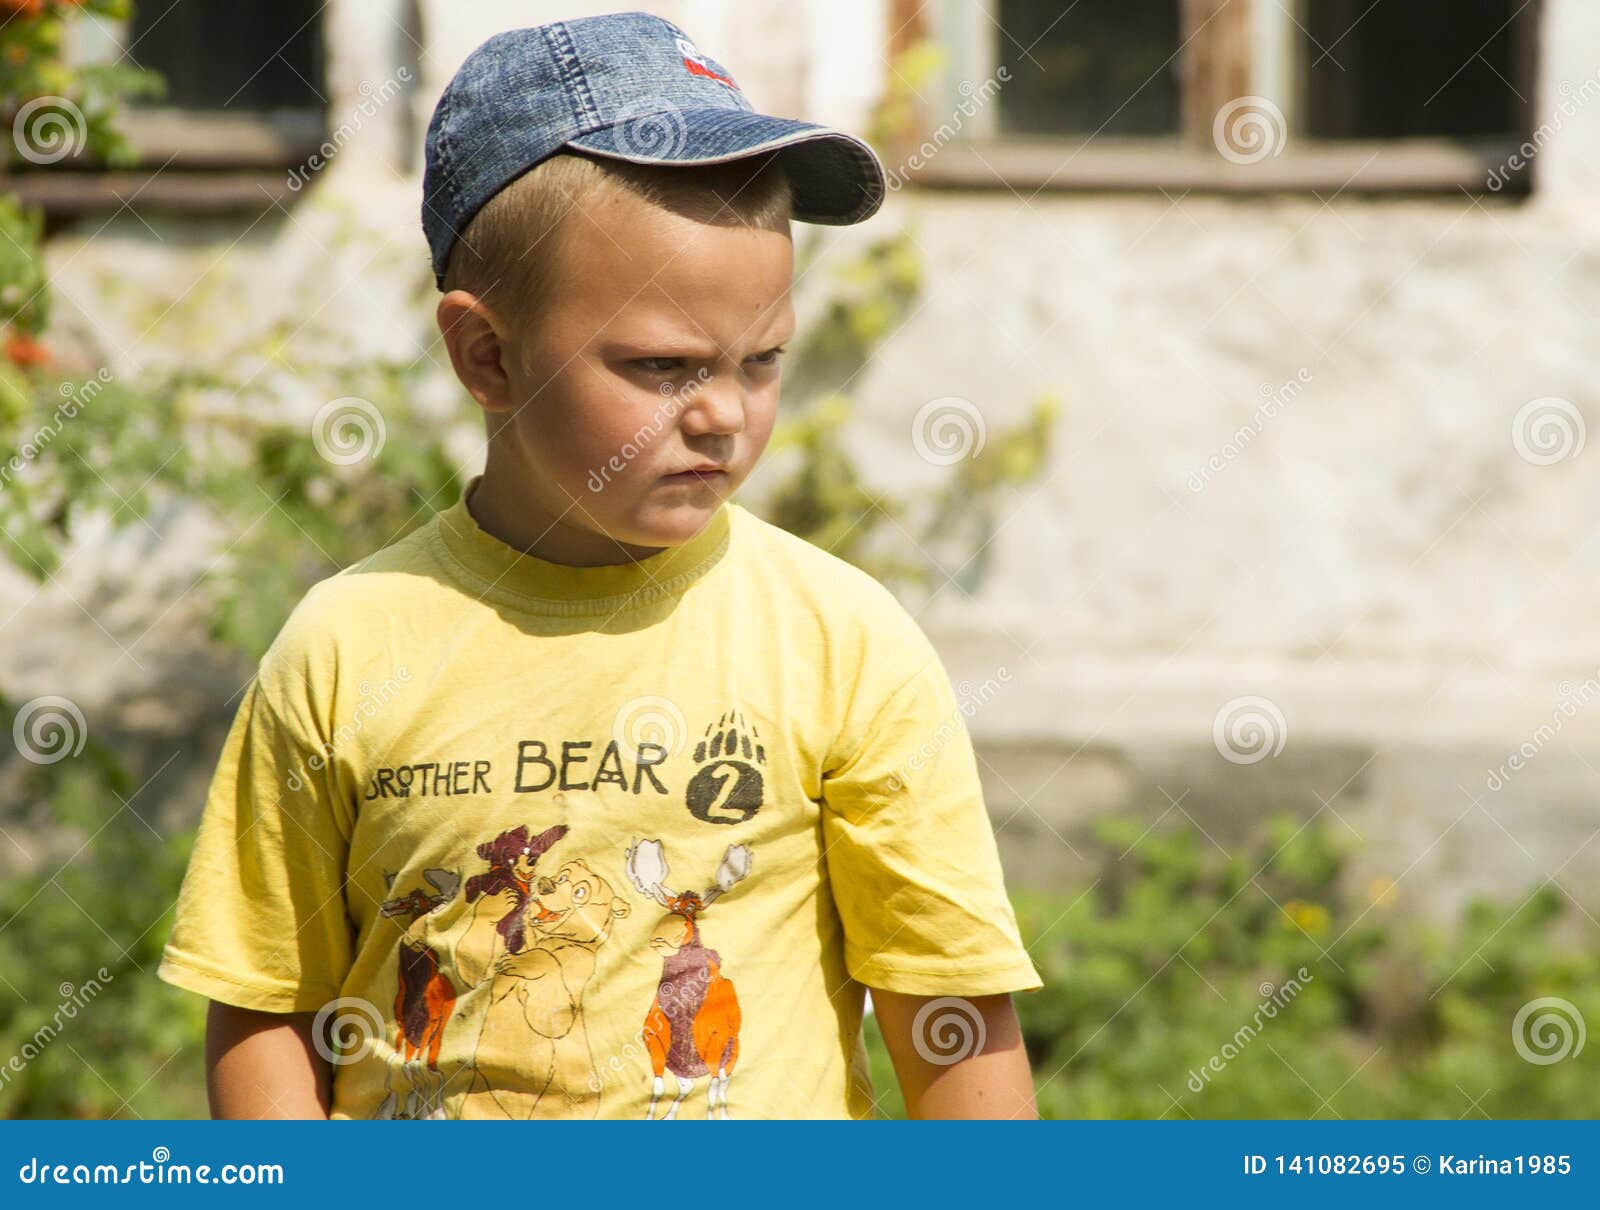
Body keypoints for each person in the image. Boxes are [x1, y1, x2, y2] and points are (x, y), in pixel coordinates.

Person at [158, 10, 1042, 1121]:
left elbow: (955, 1028)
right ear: (487, 352)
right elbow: (267, 1006)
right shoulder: (347, 646)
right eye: (663, 365)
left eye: (762, 360)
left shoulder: (840, 642)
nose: (723, 413)